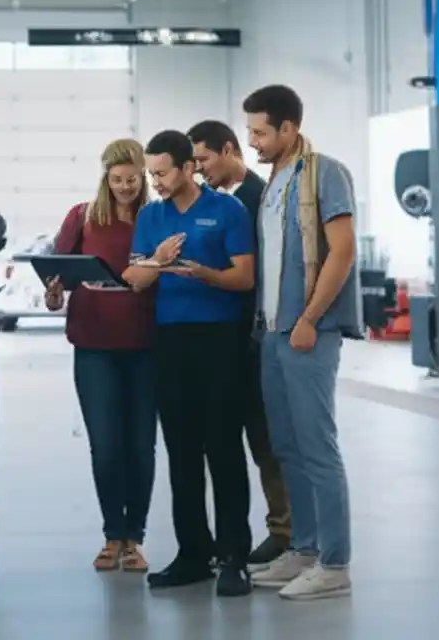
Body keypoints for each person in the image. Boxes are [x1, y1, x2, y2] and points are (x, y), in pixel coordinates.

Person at [122, 130, 256, 597]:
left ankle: (234, 554)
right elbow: (134, 279)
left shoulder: (227, 211)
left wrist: (205, 275)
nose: (155, 181)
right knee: (181, 453)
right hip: (171, 341)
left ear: (186, 168)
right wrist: (159, 262)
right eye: (151, 174)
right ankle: (192, 553)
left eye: (161, 173)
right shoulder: (151, 217)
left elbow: (244, 277)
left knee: (222, 447)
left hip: (219, 340)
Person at [241, 84, 358, 601]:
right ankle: (305, 549)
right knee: (286, 446)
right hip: (271, 333)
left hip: (307, 330)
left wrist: (310, 316)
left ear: (288, 128)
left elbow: (342, 251)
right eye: (249, 132)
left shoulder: (325, 173)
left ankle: (334, 562)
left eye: (261, 132)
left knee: (317, 446)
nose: (253, 142)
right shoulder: (274, 181)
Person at [44, 139, 158, 573]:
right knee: (107, 445)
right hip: (94, 347)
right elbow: (59, 271)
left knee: (141, 447)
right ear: (105, 178)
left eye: (132, 179)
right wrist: (54, 290)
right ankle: (113, 534)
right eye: (117, 180)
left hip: (147, 345)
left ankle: (136, 537)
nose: (125, 187)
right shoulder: (83, 216)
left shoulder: (156, 216)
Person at [188, 119, 292, 566]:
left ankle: (287, 531)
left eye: (204, 160)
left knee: (268, 440)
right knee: (233, 442)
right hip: (223, 342)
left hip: (258, 338)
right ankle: (248, 535)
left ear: (230, 150)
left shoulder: (260, 199)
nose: (198, 170)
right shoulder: (210, 202)